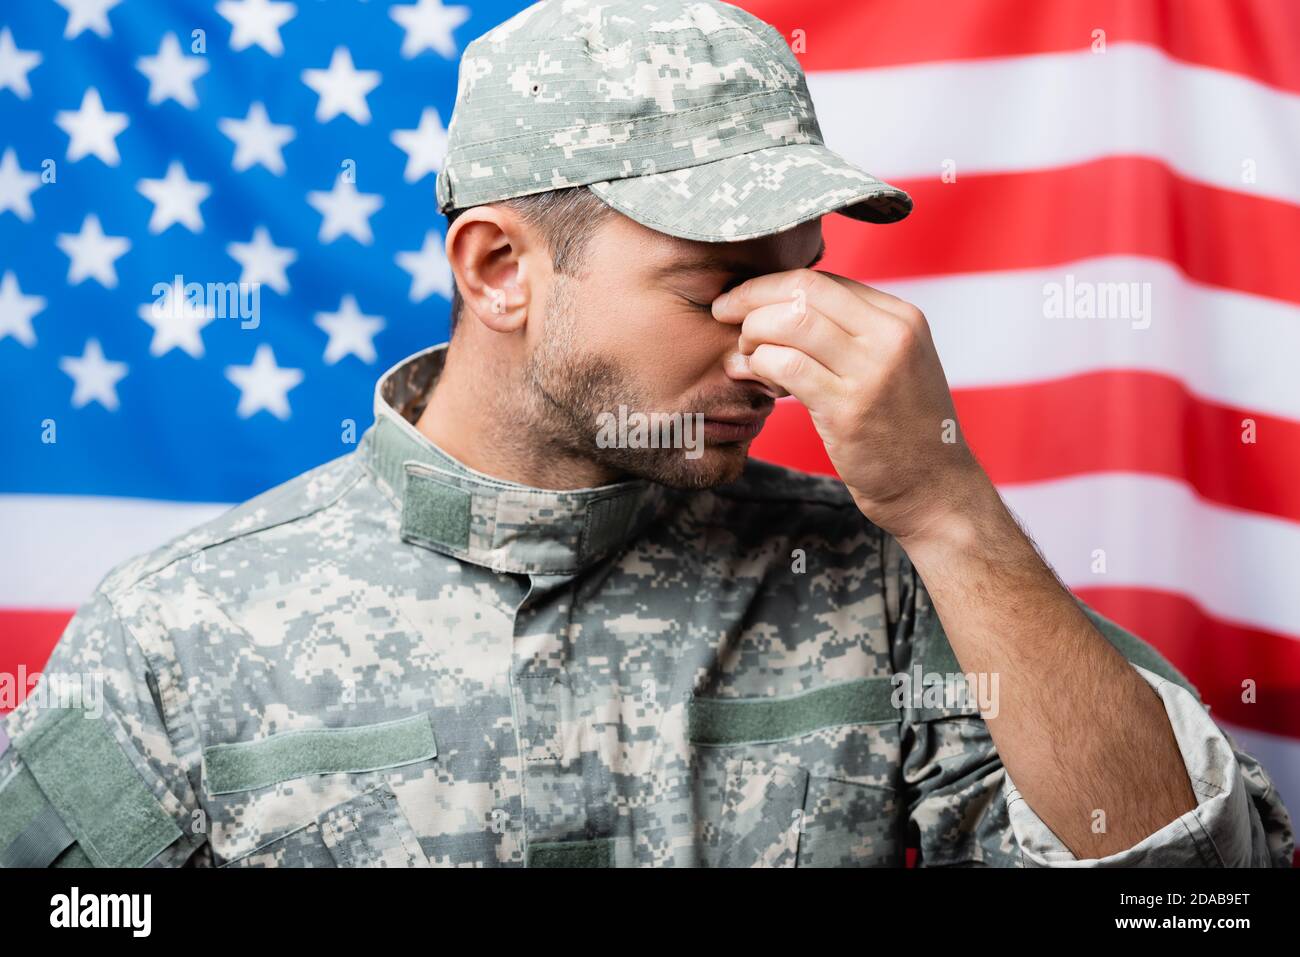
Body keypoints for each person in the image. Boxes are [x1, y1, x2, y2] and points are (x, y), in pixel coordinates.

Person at [0, 0, 1291, 868]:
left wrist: (951, 510)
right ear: (500, 268)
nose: (779, 342)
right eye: (715, 282)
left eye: (802, 276)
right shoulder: (179, 633)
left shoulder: (887, 582)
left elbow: (1188, 890)